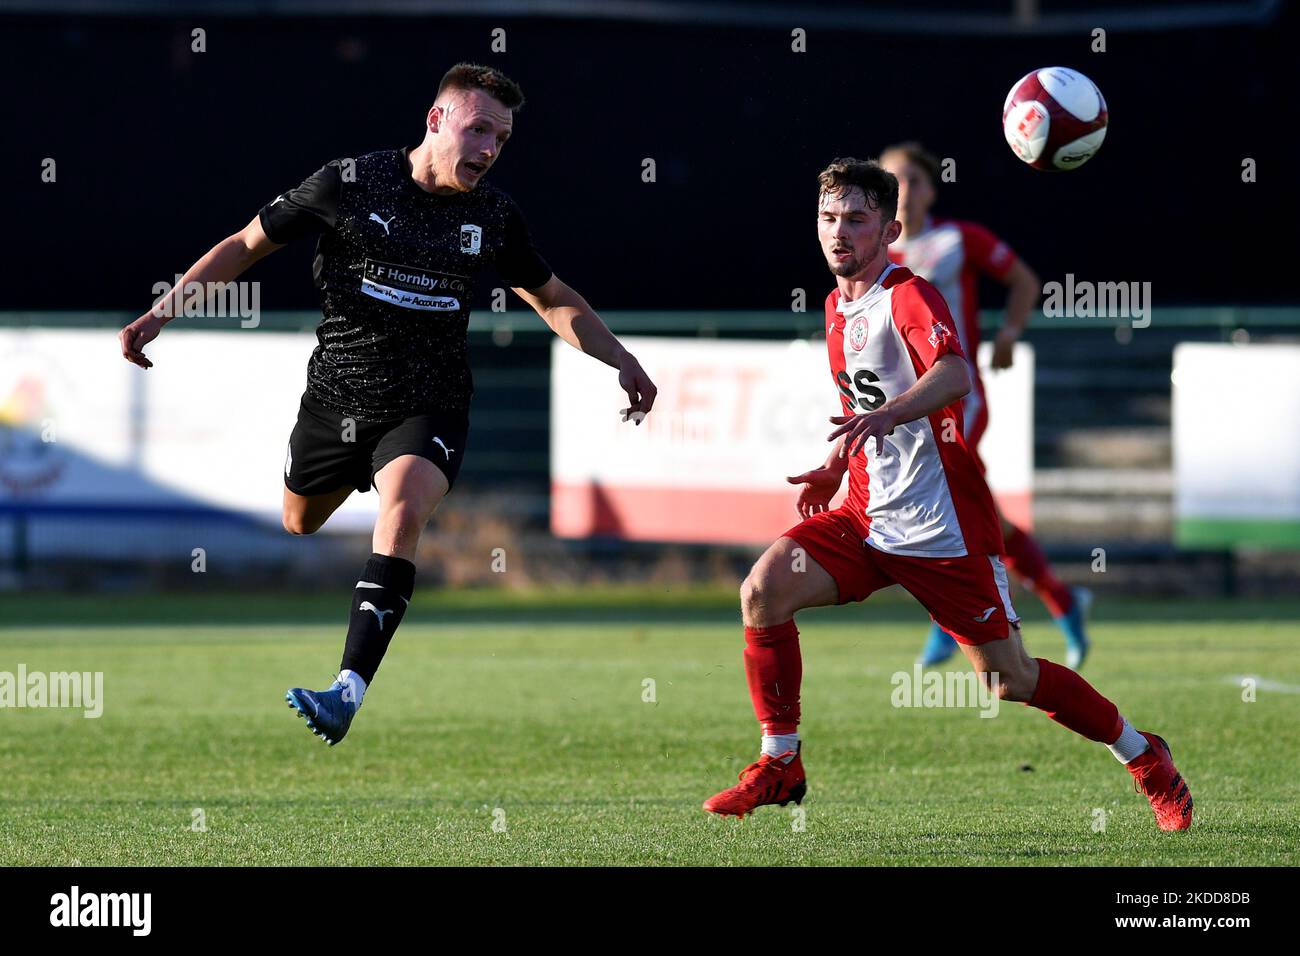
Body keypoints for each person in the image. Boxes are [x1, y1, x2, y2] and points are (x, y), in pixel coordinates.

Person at [117, 63, 657, 746]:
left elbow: (550, 298)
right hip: (336, 398)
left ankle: (348, 689)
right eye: (478, 129)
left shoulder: (491, 215)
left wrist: (622, 358)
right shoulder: (349, 182)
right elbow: (245, 245)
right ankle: (339, 511)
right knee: (299, 521)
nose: (489, 150)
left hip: (428, 405)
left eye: (502, 139)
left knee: (403, 508)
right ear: (436, 120)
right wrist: (161, 313)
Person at [700, 158, 1191, 833]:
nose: (838, 232)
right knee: (762, 591)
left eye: (856, 220)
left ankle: (1144, 757)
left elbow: (955, 372)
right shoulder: (838, 304)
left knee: (1010, 679)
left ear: (889, 229)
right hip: (865, 517)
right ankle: (780, 760)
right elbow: (865, 408)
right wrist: (838, 465)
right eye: (828, 218)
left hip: (943, 529)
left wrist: (892, 415)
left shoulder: (909, 294)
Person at [879, 141, 1090, 669]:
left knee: (939, 504)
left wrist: (1008, 334)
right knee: (974, 511)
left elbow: (1023, 280)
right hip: (903, 408)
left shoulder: (957, 239)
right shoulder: (871, 252)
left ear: (930, 188)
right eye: (892, 180)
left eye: (913, 180)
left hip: (954, 399)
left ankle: (954, 623)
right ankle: (1058, 599)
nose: (903, 190)